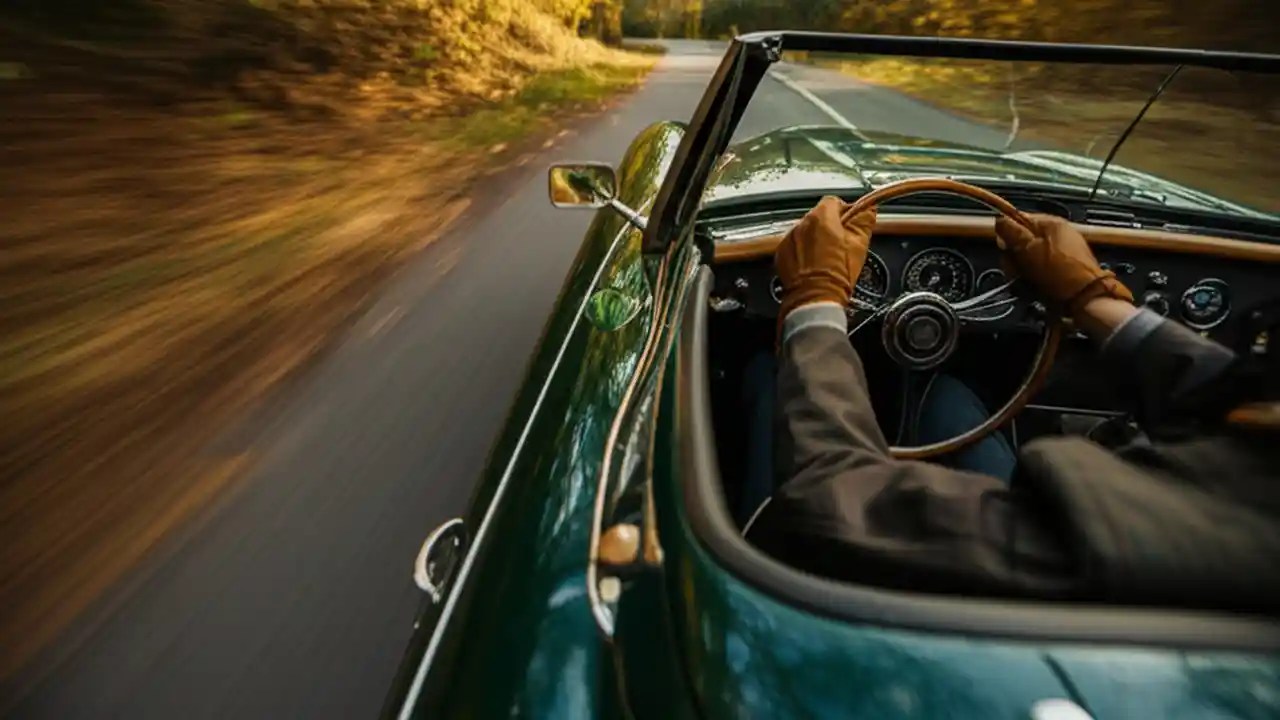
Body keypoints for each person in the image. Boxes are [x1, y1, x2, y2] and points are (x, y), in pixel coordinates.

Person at [746, 196, 1280, 613]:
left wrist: (814, 301)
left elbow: (834, 497)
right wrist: (1093, 300)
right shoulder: (1255, 468)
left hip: (951, 593)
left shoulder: (1138, 544)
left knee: (769, 380)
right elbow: (1244, 399)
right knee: (946, 394)